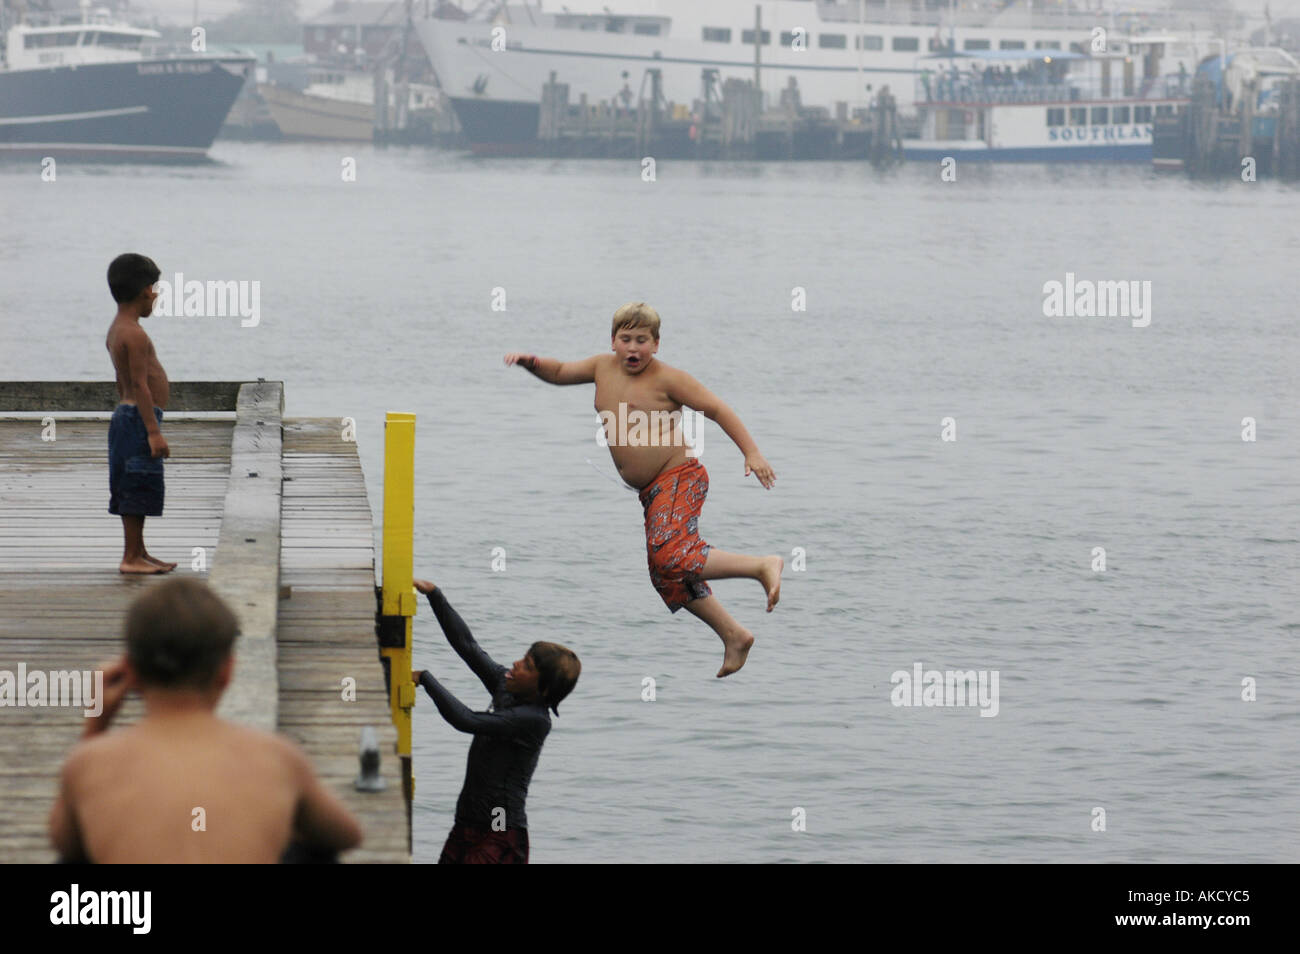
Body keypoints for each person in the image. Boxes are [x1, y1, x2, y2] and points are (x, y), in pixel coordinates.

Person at [504, 301, 782, 678]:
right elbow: (559, 372)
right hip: (651, 491)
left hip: (681, 476)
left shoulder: (668, 379)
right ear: (613, 342)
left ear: (656, 344)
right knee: (664, 574)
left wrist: (752, 453)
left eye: (642, 340)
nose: (633, 348)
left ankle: (760, 565)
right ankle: (733, 635)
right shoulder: (601, 367)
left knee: (672, 554)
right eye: (626, 339)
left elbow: (717, 409)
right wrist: (530, 361)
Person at [48, 578, 363, 862]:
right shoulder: (276, 755)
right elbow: (347, 834)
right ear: (227, 671)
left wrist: (95, 726)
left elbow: (66, 845)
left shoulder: (91, 761)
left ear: (129, 671)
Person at [411, 579, 580, 864]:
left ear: (544, 689)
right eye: (522, 658)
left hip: (500, 829)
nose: (515, 664)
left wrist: (426, 679)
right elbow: (468, 647)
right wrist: (434, 595)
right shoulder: (507, 687)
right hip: (467, 822)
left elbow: (466, 720)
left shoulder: (533, 720)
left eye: (527, 666)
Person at [105, 253, 174, 574]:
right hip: (138, 421)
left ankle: (140, 551)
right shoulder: (135, 334)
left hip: (128, 418)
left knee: (134, 482)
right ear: (145, 291)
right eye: (155, 290)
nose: (156, 297)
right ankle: (130, 557)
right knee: (137, 484)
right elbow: (139, 385)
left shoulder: (119, 328)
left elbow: (125, 385)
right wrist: (153, 431)